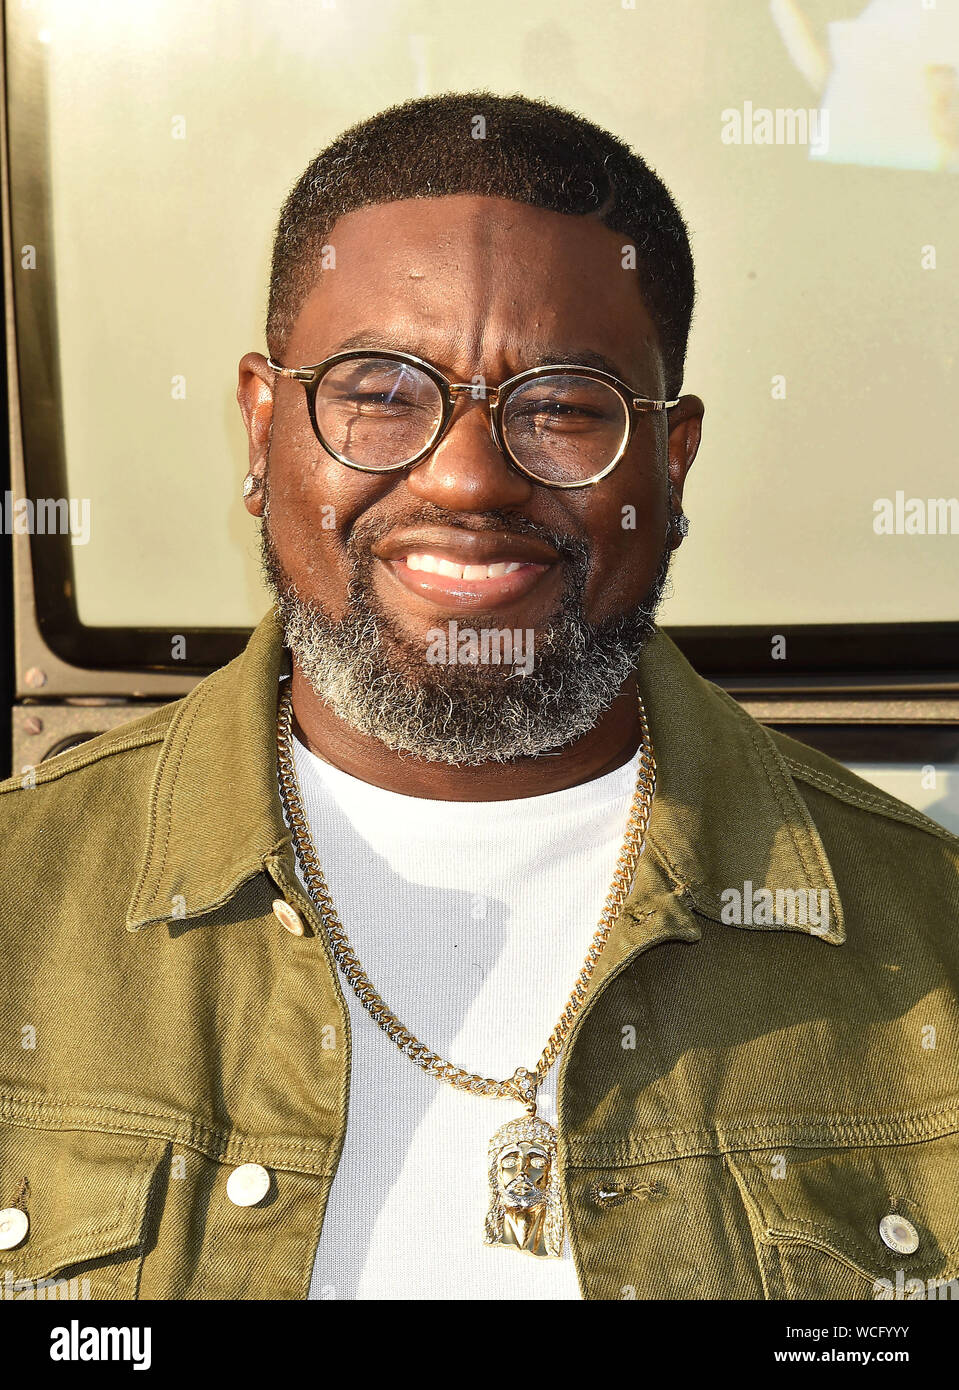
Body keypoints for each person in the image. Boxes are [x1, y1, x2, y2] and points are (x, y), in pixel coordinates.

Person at [1, 92, 956, 1302]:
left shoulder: (928, 940)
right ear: (261, 427)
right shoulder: (20, 907)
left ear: (669, 462)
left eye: (559, 407)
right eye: (381, 393)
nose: (466, 475)